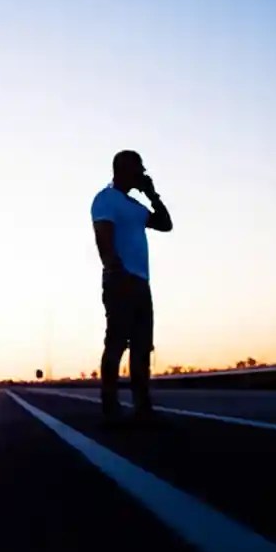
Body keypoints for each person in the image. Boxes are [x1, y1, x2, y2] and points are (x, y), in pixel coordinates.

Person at [90, 150, 173, 423]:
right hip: (120, 279)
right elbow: (103, 235)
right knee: (116, 342)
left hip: (141, 282)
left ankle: (142, 407)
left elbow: (165, 224)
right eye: (139, 169)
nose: (143, 174)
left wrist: (152, 194)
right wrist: (115, 268)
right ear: (124, 169)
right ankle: (110, 406)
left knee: (142, 346)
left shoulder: (136, 206)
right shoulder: (106, 199)